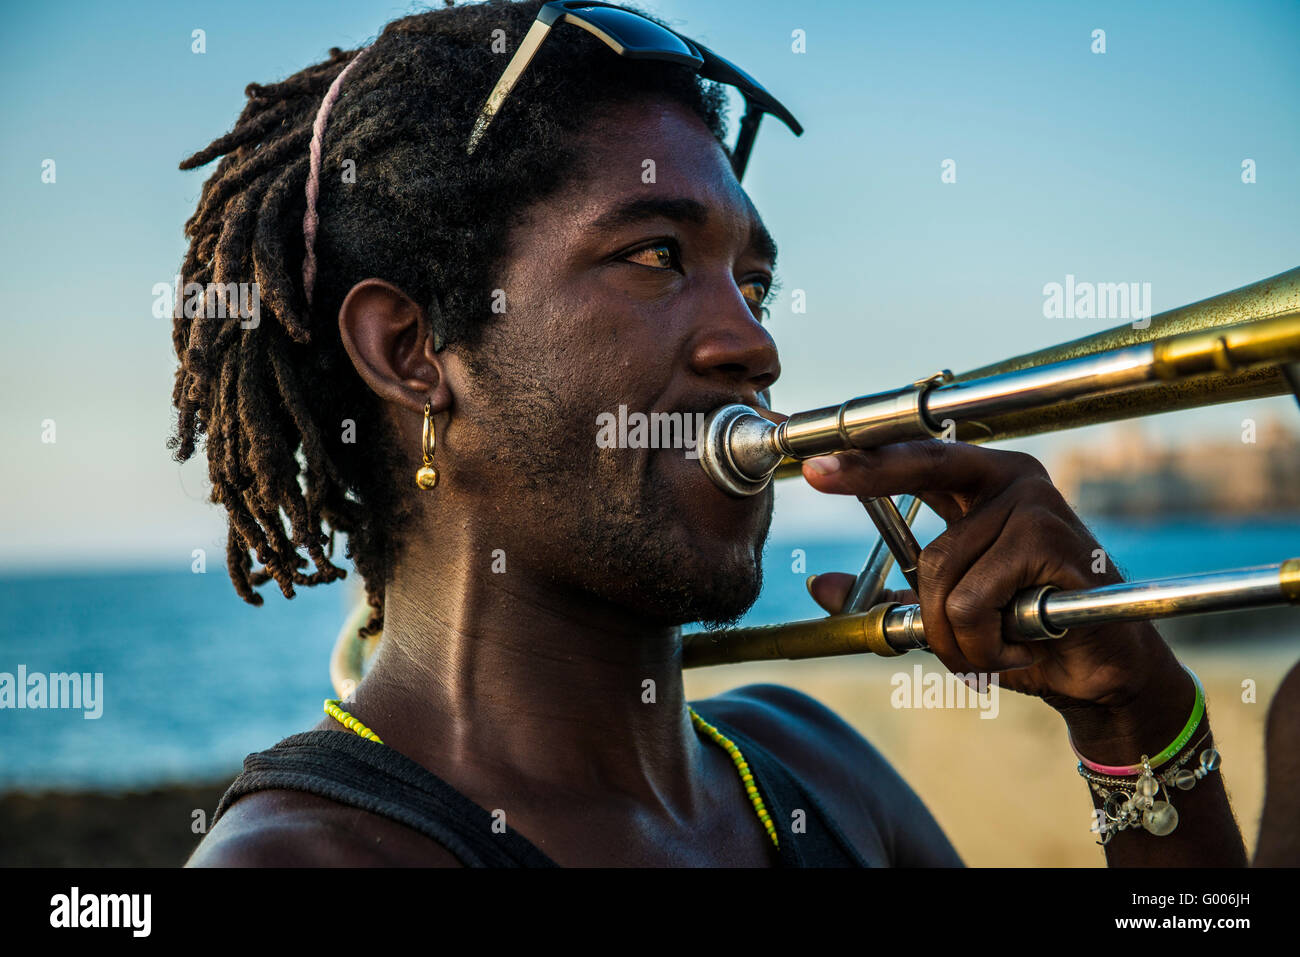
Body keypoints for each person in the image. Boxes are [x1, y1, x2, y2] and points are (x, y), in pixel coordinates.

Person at [179, 0, 1247, 866]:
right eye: (653, 257)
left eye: (756, 283)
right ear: (411, 349)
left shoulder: (814, 767)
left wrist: (1134, 719)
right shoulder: (305, 859)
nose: (753, 346)